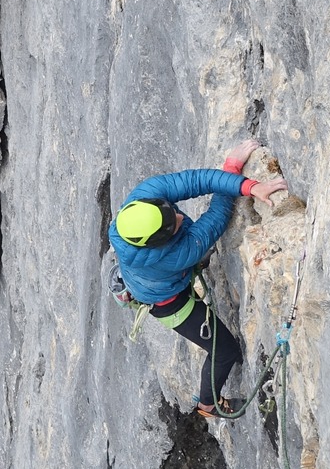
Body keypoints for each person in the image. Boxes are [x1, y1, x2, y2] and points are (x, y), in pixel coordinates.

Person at [109, 140, 286, 418]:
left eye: (170, 210)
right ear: (157, 243)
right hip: (169, 302)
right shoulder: (176, 255)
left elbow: (195, 181)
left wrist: (245, 180)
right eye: (172, 226)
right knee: (226, 352)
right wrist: (233, 174)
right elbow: (216, 216)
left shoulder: (140, 201)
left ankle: (129, 286)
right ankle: (208, 405)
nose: (179, 216)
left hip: (148, 276)